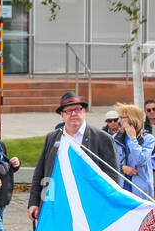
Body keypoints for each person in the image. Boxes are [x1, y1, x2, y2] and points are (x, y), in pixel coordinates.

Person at [29, 91, 119, 223]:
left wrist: (108, 205)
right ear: (62, 115)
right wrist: (34, 202)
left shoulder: (102, 138)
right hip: (56, 204)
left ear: (84, 111)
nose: (74, 114)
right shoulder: (52, 138)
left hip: (90, 205)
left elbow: (112, 176)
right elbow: (41, 172)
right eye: (69, 111)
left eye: (77, 109)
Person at [113, 103, 155, 200]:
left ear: (132, 119)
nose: (119, 121)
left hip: (140, 192)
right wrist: (123, 168)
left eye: (122, 117)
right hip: (121, 189)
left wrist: (133, 139)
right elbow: (109, 162)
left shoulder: (148, 139)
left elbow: (140, 160)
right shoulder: (115, 138)